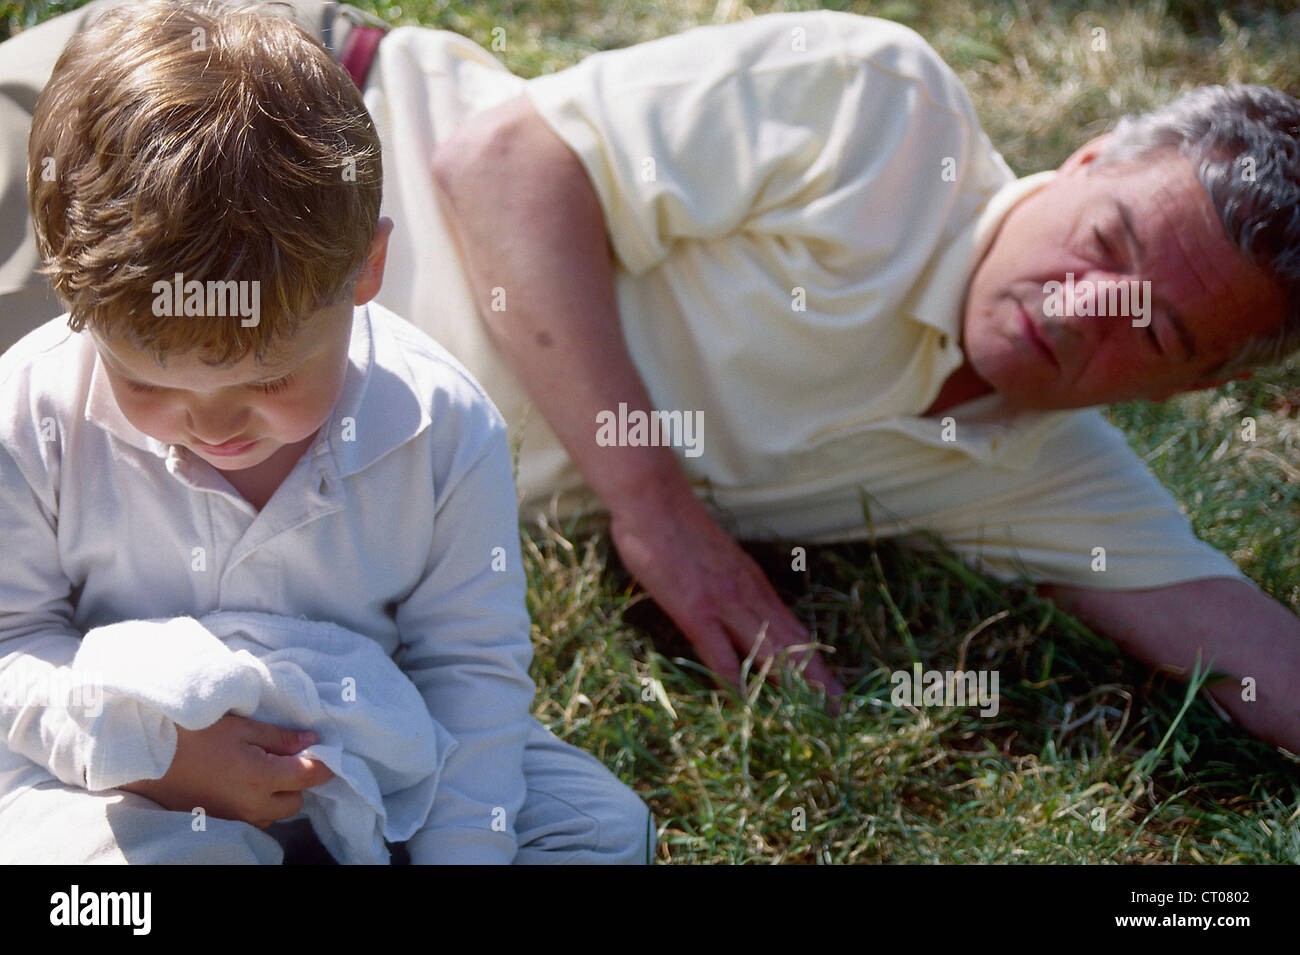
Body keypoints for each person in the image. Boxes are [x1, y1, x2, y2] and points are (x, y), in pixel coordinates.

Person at [4, 4, 1299, 757]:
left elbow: (1249, 648)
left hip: (213, 420)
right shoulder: (884, 115)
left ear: (1196, 389)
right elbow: (496, 160)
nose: (1086, 316)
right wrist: (655, 501)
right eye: (1108, 247)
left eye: (1159, 335)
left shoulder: (1040, 461)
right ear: (1078, 163)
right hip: (251, 151)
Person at [0, 0, 653, 864]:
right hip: (121, 777)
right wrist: (156, 753)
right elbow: (10, 644)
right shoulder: (32, 412)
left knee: (600, 830)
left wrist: (463, 849)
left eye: (270, 377)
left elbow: (469, 672)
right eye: (151, 381)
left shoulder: (439, 425)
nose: (217, 423)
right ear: (73, 301)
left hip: (377, 756)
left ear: (366, 270)